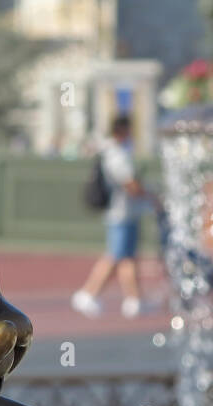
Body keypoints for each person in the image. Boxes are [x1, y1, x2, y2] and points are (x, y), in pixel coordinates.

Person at [71, 115, 158, 319]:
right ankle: (88, 293)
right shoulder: (116, 155)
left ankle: (134, 300)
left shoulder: (110, 152)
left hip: (125, 212)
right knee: (115, 255)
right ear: (122, 130)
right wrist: (151, 196)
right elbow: (130, 184)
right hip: (121, 212)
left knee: (126, 257)